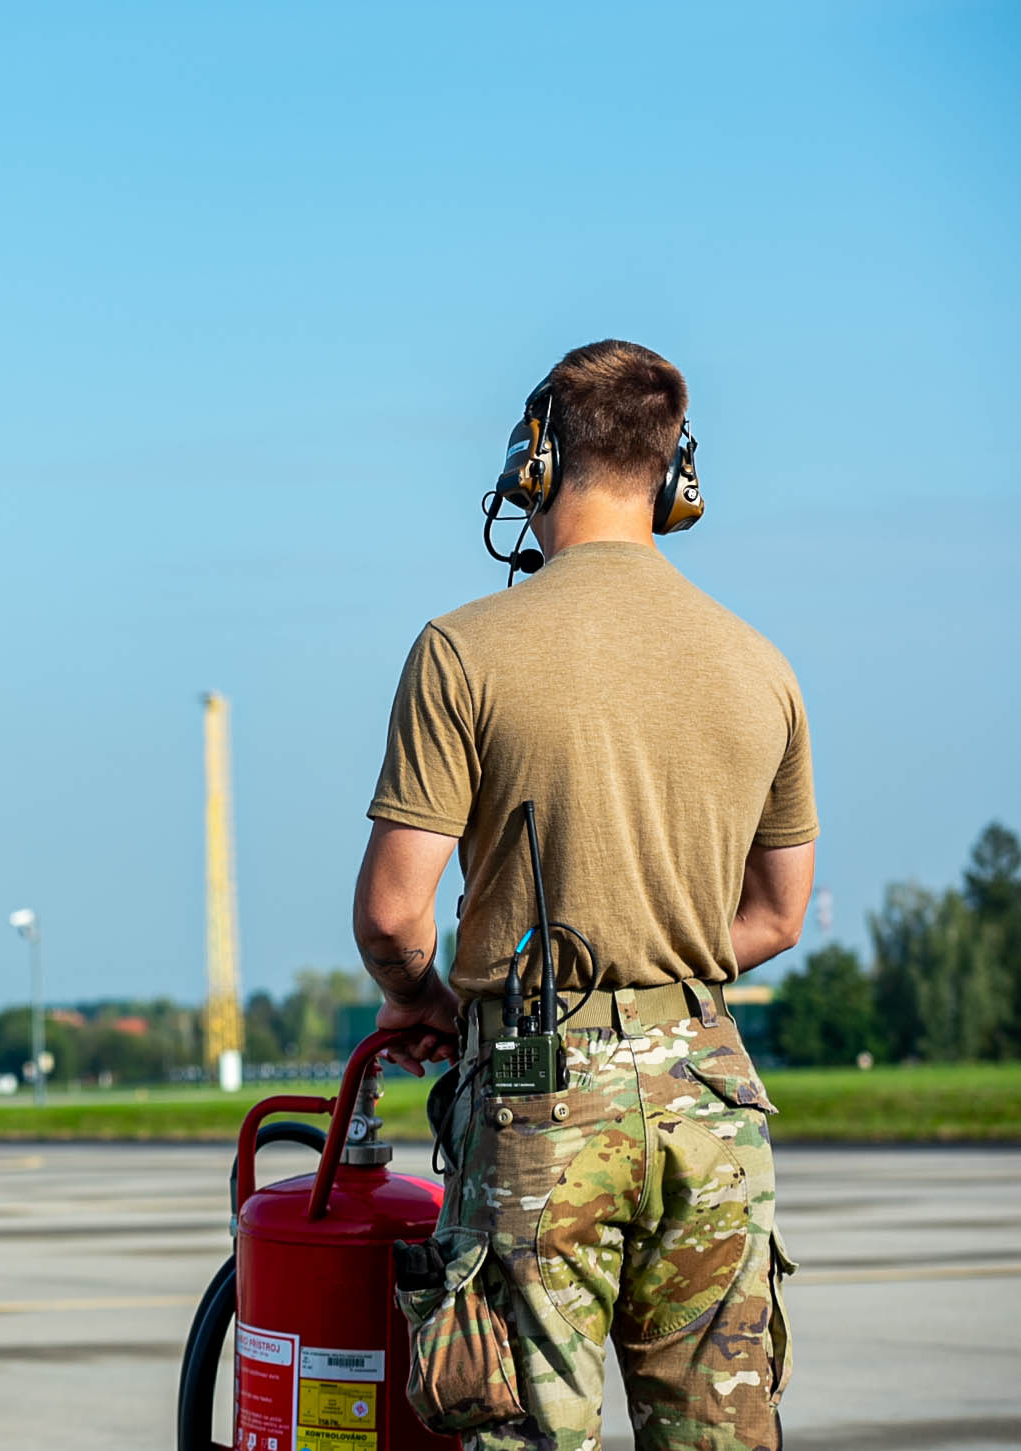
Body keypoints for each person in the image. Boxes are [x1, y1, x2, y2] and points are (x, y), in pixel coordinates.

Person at [350, 340, 816, 1450]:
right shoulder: (759, 664)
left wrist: (428, 994)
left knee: (524, 1428)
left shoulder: (463, 649)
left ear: (537, 460)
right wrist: (662, 965)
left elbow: (389, 912)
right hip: (709, 1093)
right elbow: (778, 912)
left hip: (538, 1094)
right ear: (673, 475)